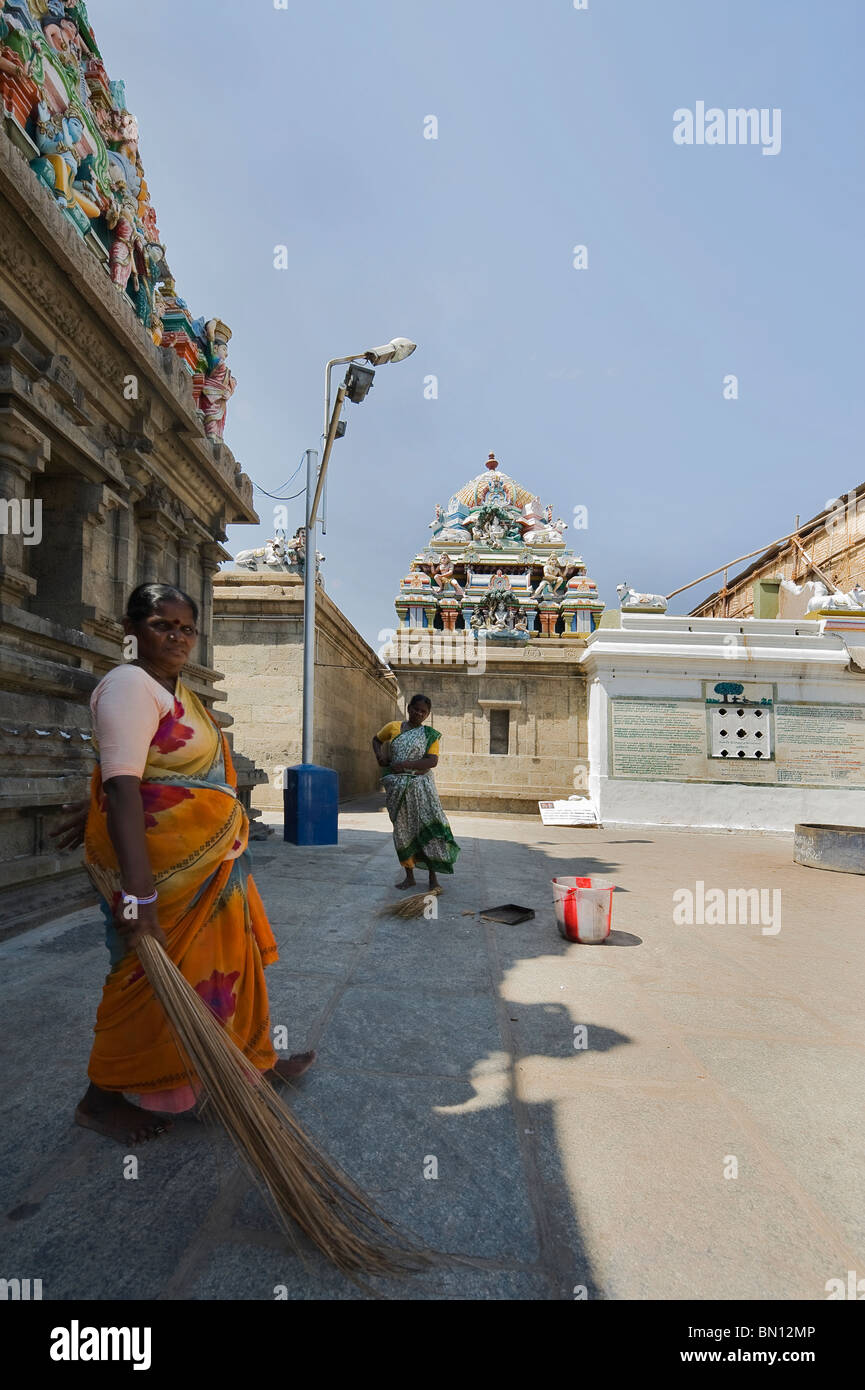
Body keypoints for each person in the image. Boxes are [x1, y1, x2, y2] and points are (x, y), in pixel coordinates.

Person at [73, 583, 313, 1144]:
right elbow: (125, 788)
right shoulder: (130, 685)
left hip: (211, 871)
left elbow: (163, 773)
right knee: (144, 977)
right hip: (159, 877)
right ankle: (99, 1100)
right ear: (131, 631)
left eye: (186, 628)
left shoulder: (176, 691)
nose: (178, 637)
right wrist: (140, 896)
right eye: (163, 625)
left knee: (228, 963)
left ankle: (247, 1063)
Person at [372, 695, 460, 892]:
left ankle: (432, 878)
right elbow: (376, 740)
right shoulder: (393, 727)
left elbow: (431, 761)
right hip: (397, 787)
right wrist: (380, 756)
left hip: (422, 788)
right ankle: (409, 877)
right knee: (403, 832)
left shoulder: (429, 734)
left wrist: (406, 764)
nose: (419, 714)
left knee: (428, 831)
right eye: (416, 709)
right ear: (409, 707)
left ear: (427, 715)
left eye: (424, 712)